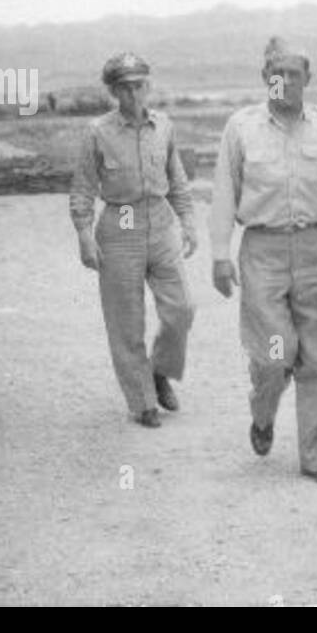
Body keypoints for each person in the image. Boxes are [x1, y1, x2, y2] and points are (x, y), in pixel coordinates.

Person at [209, 37, 317, 485]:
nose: (285, 81)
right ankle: (263, 412)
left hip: (316, 249)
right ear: (266, 79)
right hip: (262, 253)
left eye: (294, 73)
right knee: (273, 355)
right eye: (276, 73)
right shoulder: (241, 128)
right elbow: (224, 193)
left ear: (307, 79)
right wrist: (220, 254)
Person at [69, 52, 197, 429]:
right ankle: (142, 402)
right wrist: (83, 234)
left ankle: (160, 371)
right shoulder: (98, 132)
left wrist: (188, 221)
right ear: (112, 92)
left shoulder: (165, 126)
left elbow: (178, 180)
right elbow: (83, 187)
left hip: (160, 222)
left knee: (182, 309)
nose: (133, 94)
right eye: (124, 88)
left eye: (139, 86)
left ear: (149, 86)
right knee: (126, 322)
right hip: (119, 227)